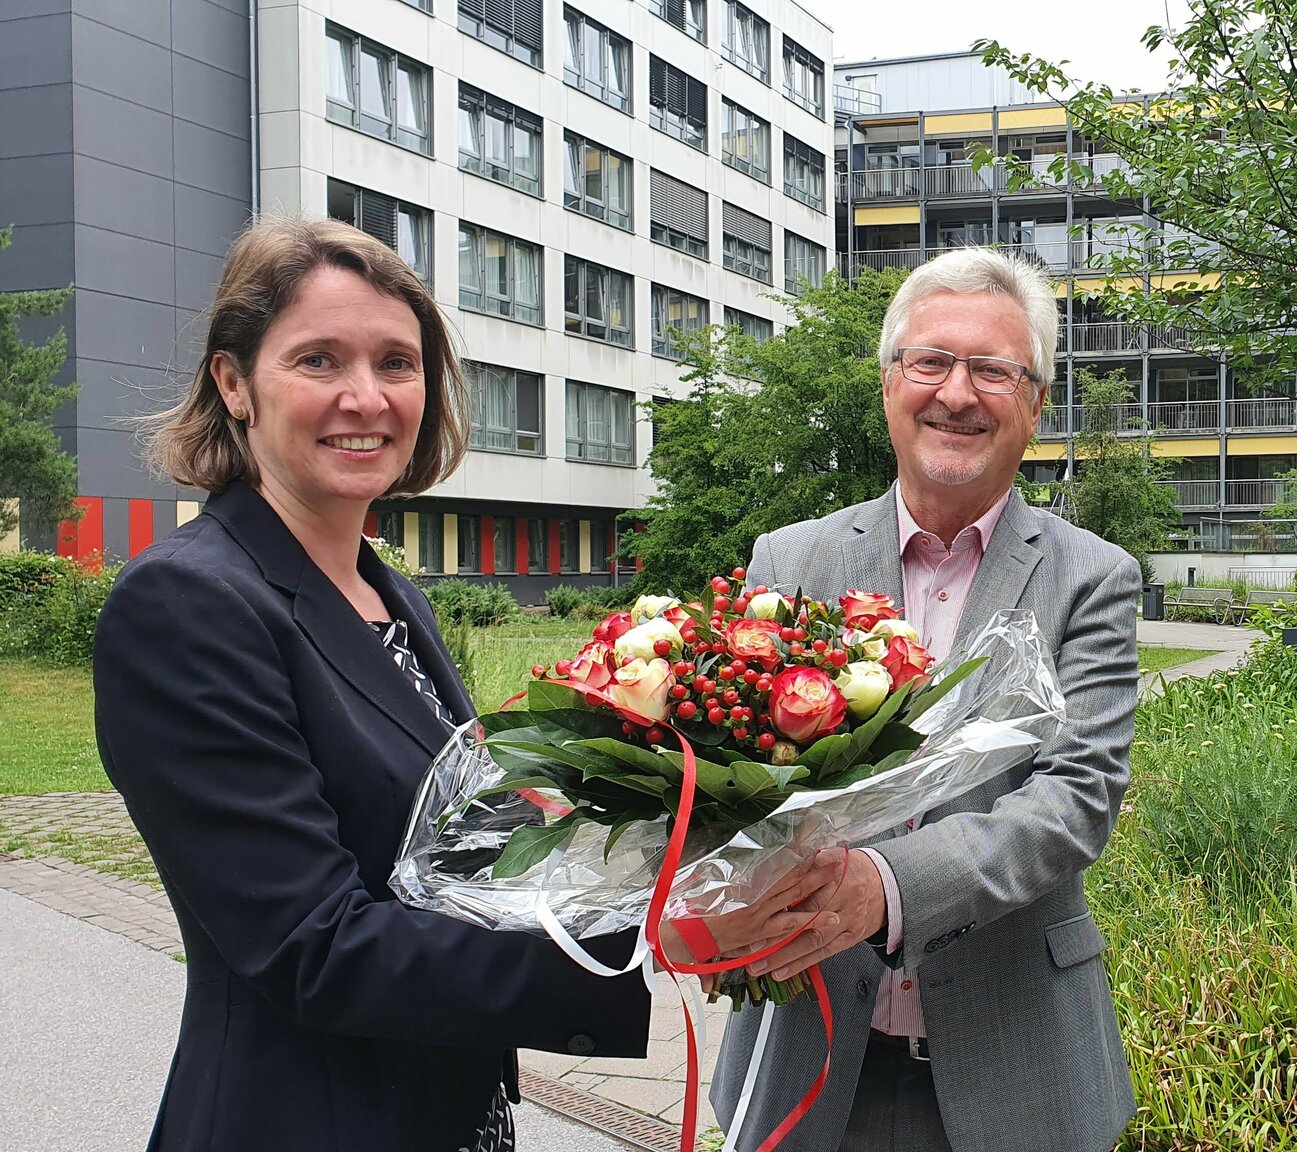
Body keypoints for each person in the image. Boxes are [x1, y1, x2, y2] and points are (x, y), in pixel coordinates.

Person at [95, 218, 834, 1152]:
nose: (364, 397)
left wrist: (684, 847)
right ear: (234, 383)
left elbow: (466, 853)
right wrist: (656, 938)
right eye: (318, 360)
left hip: (455, 1116)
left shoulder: (387, 592)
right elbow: (313, 945)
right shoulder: (188, 606)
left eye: (396, 363)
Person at [708, 247, 1140, 1151]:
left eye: (993, 370)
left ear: (1034, 405)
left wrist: (887, 888)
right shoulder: (793, 563)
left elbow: (1074, 802)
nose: (957, 392)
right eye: (931, 362)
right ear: (888, 383)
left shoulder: (1092, 579)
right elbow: (731, 779)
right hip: (808, 1058)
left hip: (1019, 1074)